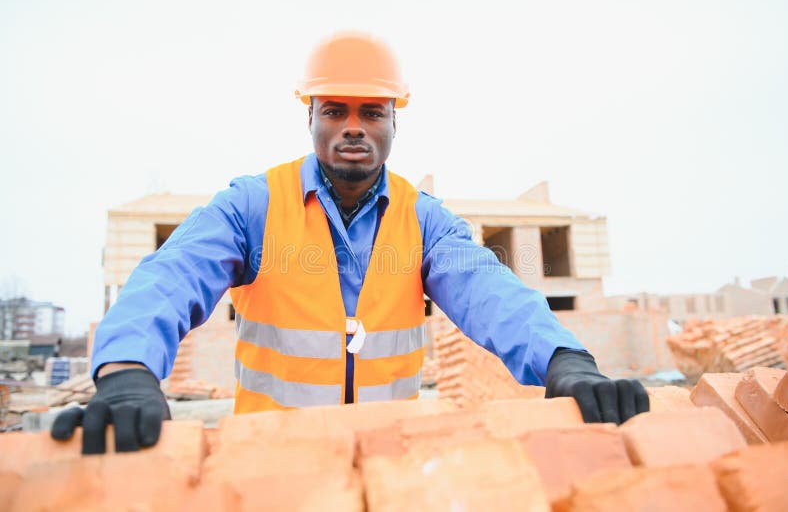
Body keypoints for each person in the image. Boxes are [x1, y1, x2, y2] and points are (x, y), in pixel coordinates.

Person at [52, 32, 649, 454]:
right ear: (309, 116)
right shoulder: (252, 206)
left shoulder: (424, 219)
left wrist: (565, 360)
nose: (354, 126)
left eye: (372, 111)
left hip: (390, 463)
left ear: (395, 120)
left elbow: (490, 291)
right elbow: (172, 274)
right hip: (271, 471)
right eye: (335, 110)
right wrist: (127, 368)